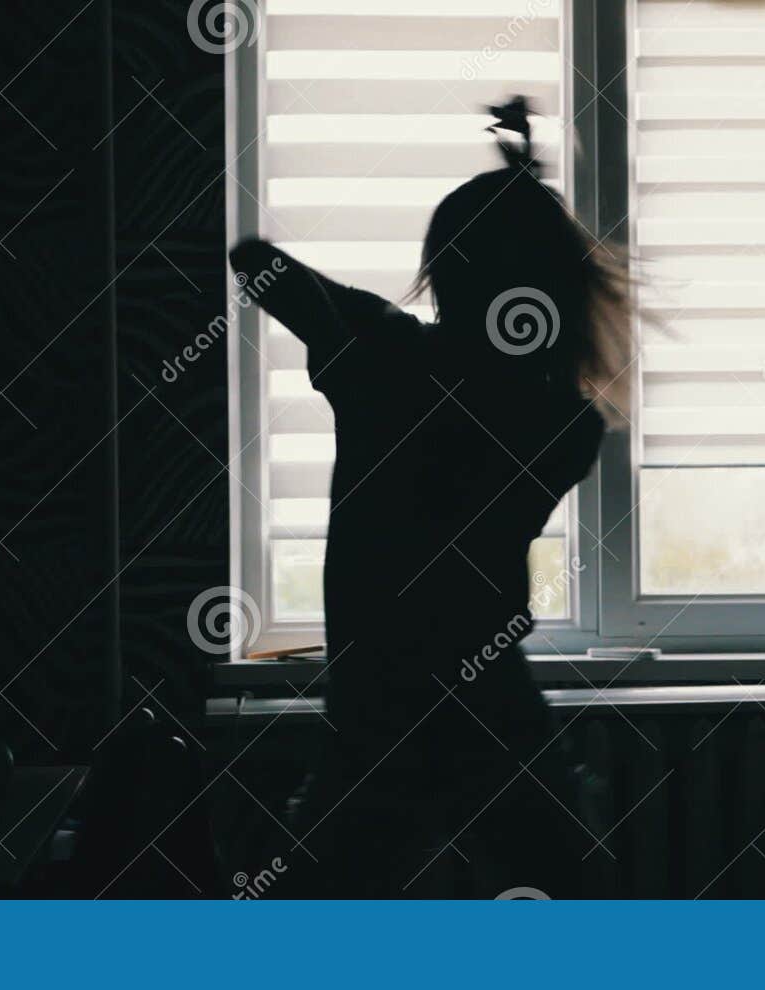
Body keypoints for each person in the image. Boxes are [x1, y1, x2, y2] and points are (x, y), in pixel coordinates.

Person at [228, 97, 633, 897]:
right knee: (569, 896)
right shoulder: (564, 422)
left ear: (444, 266)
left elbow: (254, 261)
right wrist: (524, 189)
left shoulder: (383, 362)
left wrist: (374, 313)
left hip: (379, 700)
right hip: (485, 699)